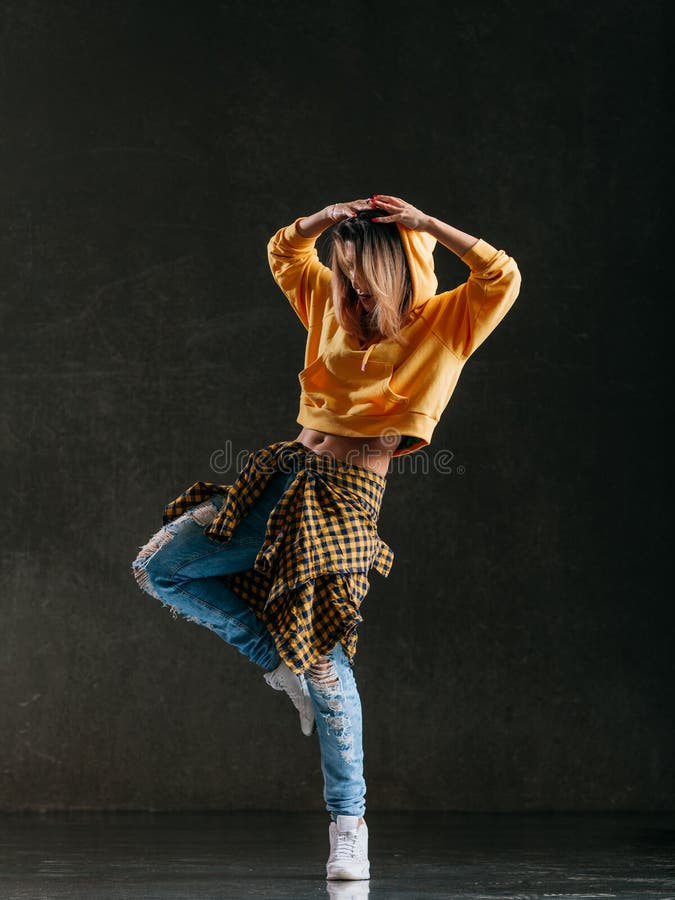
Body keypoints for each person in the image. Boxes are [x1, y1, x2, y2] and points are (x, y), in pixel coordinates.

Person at [131, 194, 521, 884]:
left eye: (358, 276)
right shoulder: (326, 303)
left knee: (322, 658)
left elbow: (499, 276)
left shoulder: (444, 325)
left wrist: (427, 225)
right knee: (160, 567)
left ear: (397, 271)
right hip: (281, 474)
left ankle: (349, 826)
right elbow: (285, 252)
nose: (346, 289)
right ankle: (276, 662)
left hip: (344, 498)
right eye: (340, 274)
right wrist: (321, 221)